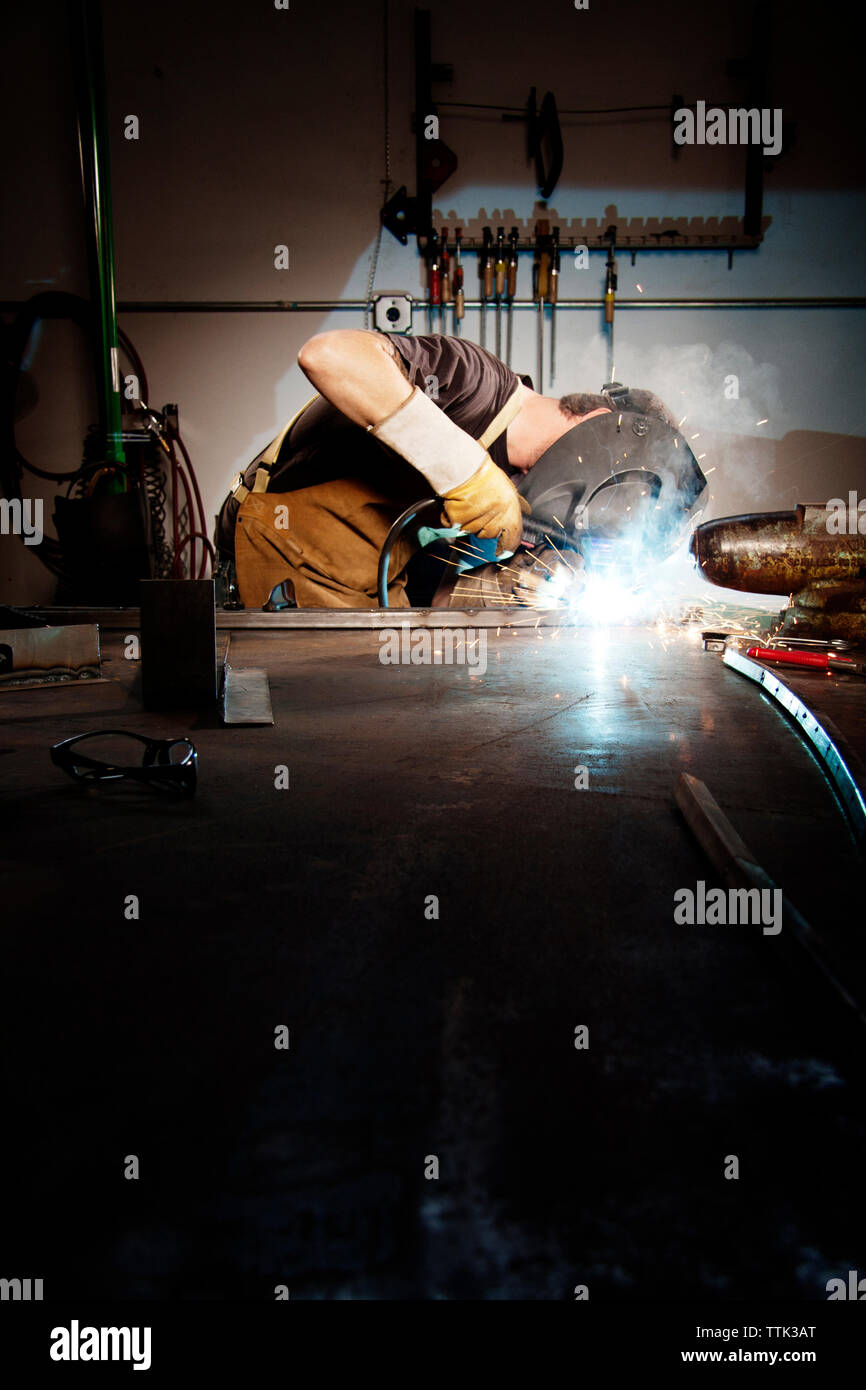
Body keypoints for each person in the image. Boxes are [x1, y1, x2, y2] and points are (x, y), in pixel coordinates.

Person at [214, 331, 700, 609]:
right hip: (286, 549)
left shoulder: (518, 490)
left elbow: (437, 592)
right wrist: (463, 467)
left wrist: (500, 590)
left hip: (366, 586)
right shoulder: (476, 383)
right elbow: (327, 355)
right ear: (603, 425)